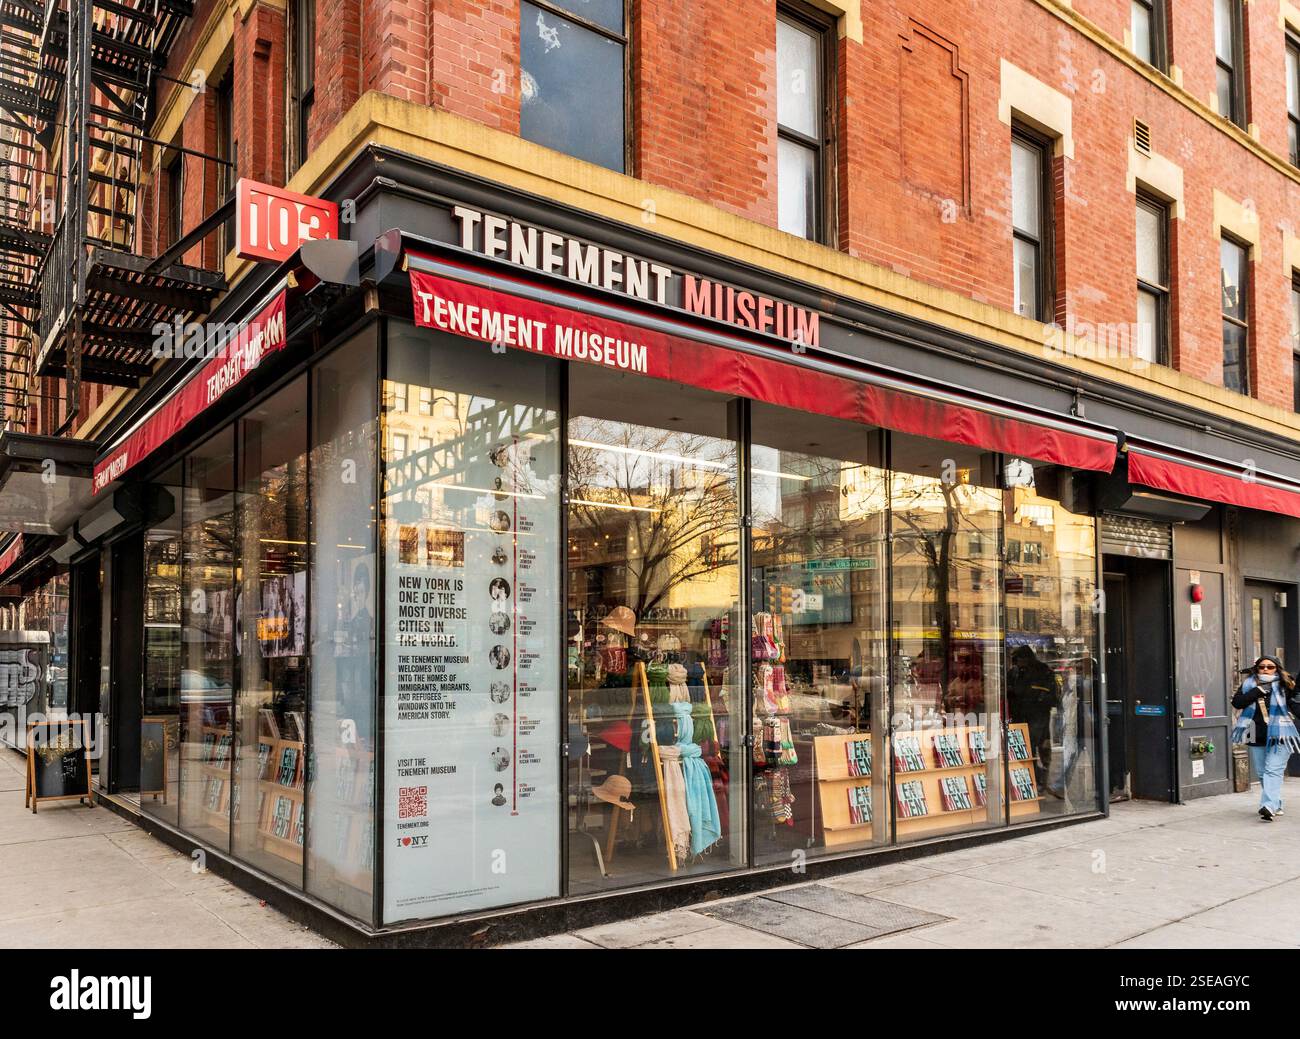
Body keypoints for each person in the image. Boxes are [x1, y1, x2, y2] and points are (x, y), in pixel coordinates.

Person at [1230, 655, 1300, 821]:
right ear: (1257, 668)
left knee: (1272, 771)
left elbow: (1295, 705)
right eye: (1262, 667)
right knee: (1262, 773)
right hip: (1255, 732)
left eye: (1270, 667)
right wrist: (1258, 691)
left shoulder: (1286, 684)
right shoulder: (1249, 684)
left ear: (1277, 668)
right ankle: (1276, 804)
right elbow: (1237, 703)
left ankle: (1268, 805)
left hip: (1281, 733)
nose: (1266, 670)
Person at [1006, 645, 1061, 793]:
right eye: (1015, 661)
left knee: (1038, 747)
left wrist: (1037, 700)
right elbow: (1008, 692)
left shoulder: (1043, 671)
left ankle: (1041, 779)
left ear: (1026, 658)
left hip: (1038, 716)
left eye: (1018, 660)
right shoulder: (1014, 672)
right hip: (1020, 716)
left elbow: (1051, 696)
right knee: (1024, 750)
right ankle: (1035, 778)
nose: (1017, 663)